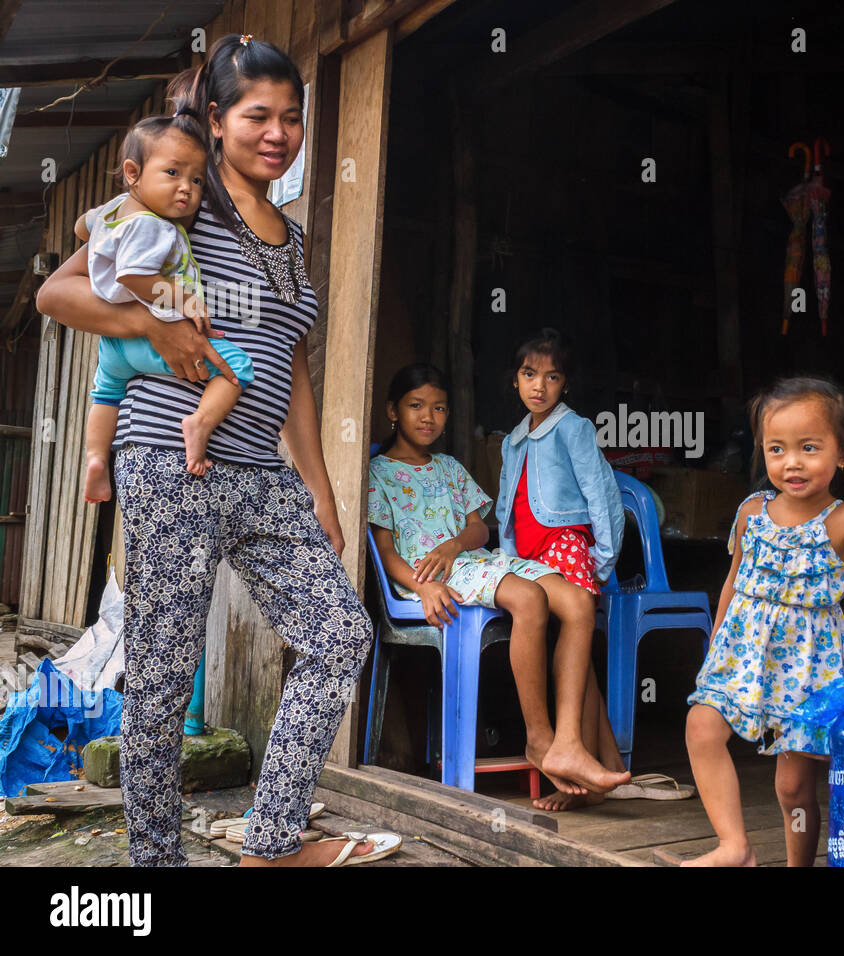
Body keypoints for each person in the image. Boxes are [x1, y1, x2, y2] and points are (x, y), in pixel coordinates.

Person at [36, 33, 392, 867]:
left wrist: (323, 486)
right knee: (161, 679)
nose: (278, 133)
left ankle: (270, 845)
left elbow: (293, 367)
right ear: (219, 119)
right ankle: (156, 866)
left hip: (264, 474)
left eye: (293, 118)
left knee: (340, 635)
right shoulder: (180, 199)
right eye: (257, 115)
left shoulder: (295, 239)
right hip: (169, 457)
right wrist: (150, 325)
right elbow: (60, 291)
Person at [677, 377, 844, 866]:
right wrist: (716, 645)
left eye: (809, 447)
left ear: (842, 452)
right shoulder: (750, 512)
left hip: (808, 667)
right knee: (701, 726)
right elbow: (733, 582)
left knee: (792, 786)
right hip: (741, 656)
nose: (792, 463)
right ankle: (734, 846)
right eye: (777, 449)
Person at [368, 362, 630, 797]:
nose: (428, 417)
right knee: (529, 599)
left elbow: (477, 529)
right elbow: (387, 553)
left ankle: (569, 741)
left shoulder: (449, 468)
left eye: (439, 408)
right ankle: (539, 737)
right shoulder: (378, 473)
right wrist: (423, 585)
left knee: (579, 602)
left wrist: (452, 546)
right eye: (416, 406)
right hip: (428, 578)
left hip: (473, 560)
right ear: (393, 411)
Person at [497, 328, 658, 810]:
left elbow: (603, 495)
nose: (539, 386)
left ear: (565, 384)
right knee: (579, 663)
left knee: (577, 648)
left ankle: (581, 778)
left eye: (552, 377)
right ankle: (603, 768)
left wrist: (603, 560)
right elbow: (507, 505)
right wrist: (508, 561)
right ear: (515, 380)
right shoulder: (512, 440)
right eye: (529, 374)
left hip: (567, 546)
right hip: (528, 558)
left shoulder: (574, 427)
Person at [77, 111, 255, 503]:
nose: (186, 189)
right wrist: (185, 298)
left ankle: (94, 459)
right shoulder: (151, 226)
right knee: (237, 367)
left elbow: (80, 227)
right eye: (172, 173)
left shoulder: (114, 211)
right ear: (133, 172)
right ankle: (200, 425)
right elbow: (133, 276)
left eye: (195, 180)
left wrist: (103, 225)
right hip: (151, 337)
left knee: (105, 394)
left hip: (114, 340)